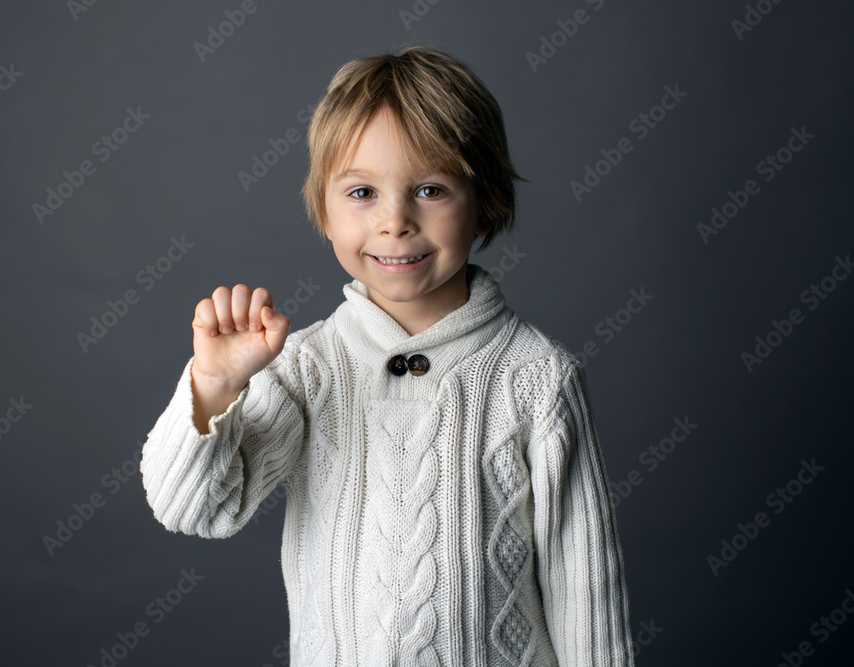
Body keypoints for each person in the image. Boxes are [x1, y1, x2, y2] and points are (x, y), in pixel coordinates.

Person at [140, 45, 635, 665]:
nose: (394, 221)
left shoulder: (537, 377)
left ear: (485, 203)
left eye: (430, 189)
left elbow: (584, 585)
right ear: (323, 209)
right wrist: (215, 385)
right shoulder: (304, 369)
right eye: (362, 192)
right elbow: (195, 508)